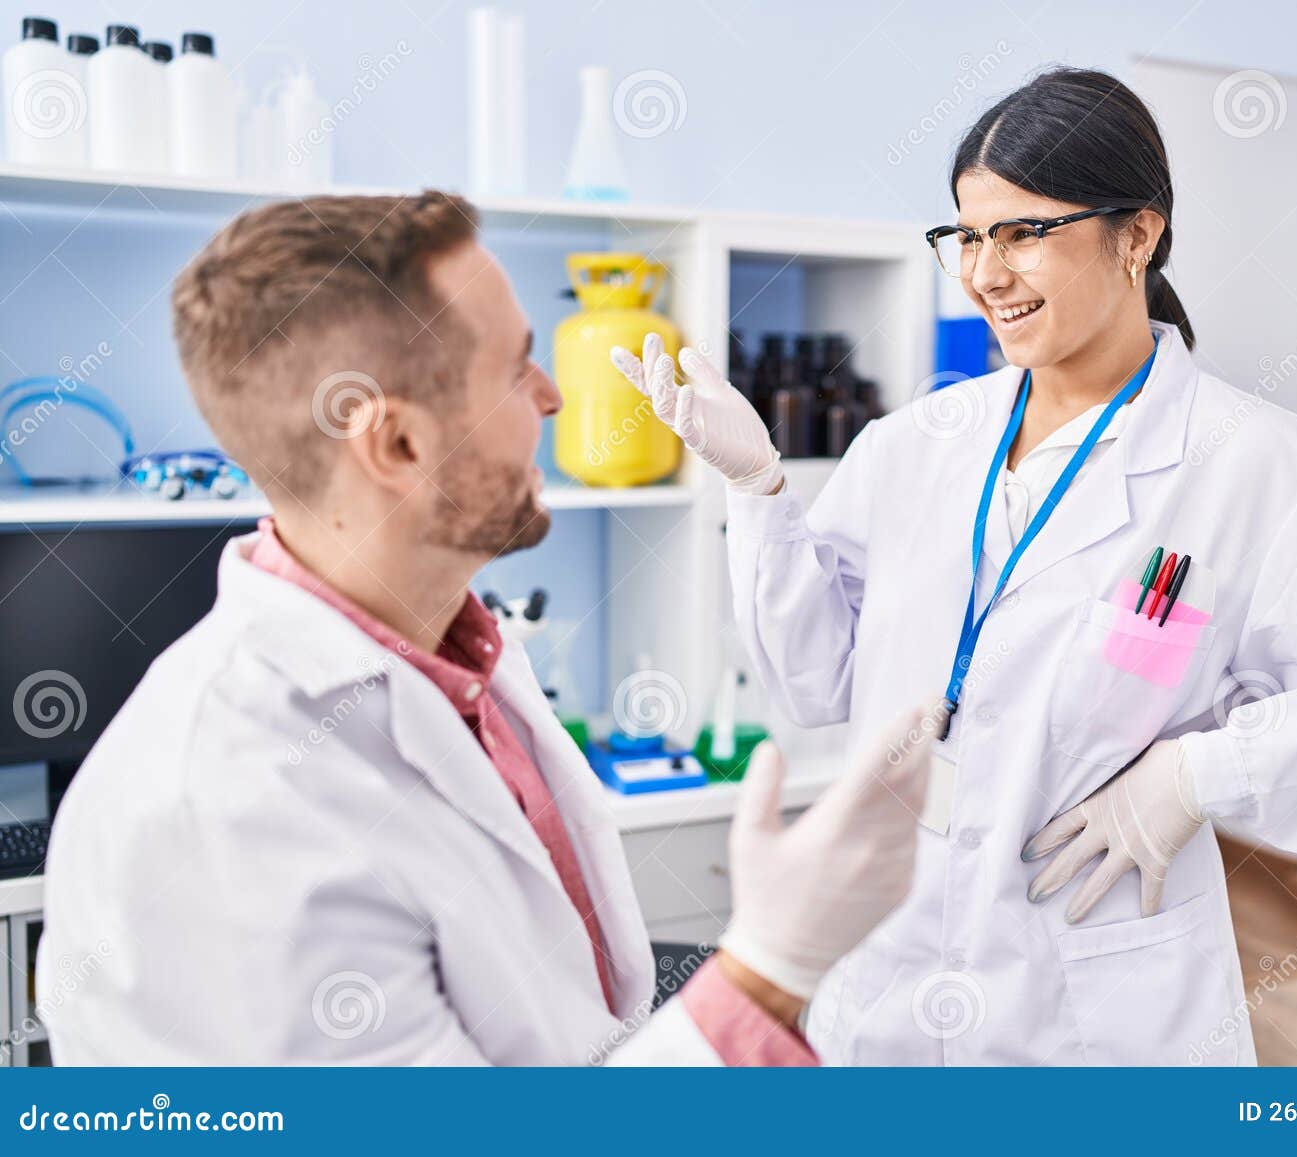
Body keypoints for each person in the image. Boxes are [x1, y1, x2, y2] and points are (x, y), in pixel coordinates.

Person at [612, 68, 1297, 1065]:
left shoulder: (1261, 472)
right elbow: (813, 682)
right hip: (884, 980)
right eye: (967, 236)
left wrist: (1198, 771)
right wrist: (760, 491)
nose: (983, 273)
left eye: (1023, 232)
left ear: (1137, 234)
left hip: (1097, 1012)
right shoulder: (910, 447)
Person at [37, 191, 942, 1065]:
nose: (551, 397)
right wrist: (765, 977)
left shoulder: (454, 653)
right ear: (396, 446)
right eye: (516, 367)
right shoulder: (227, 811)